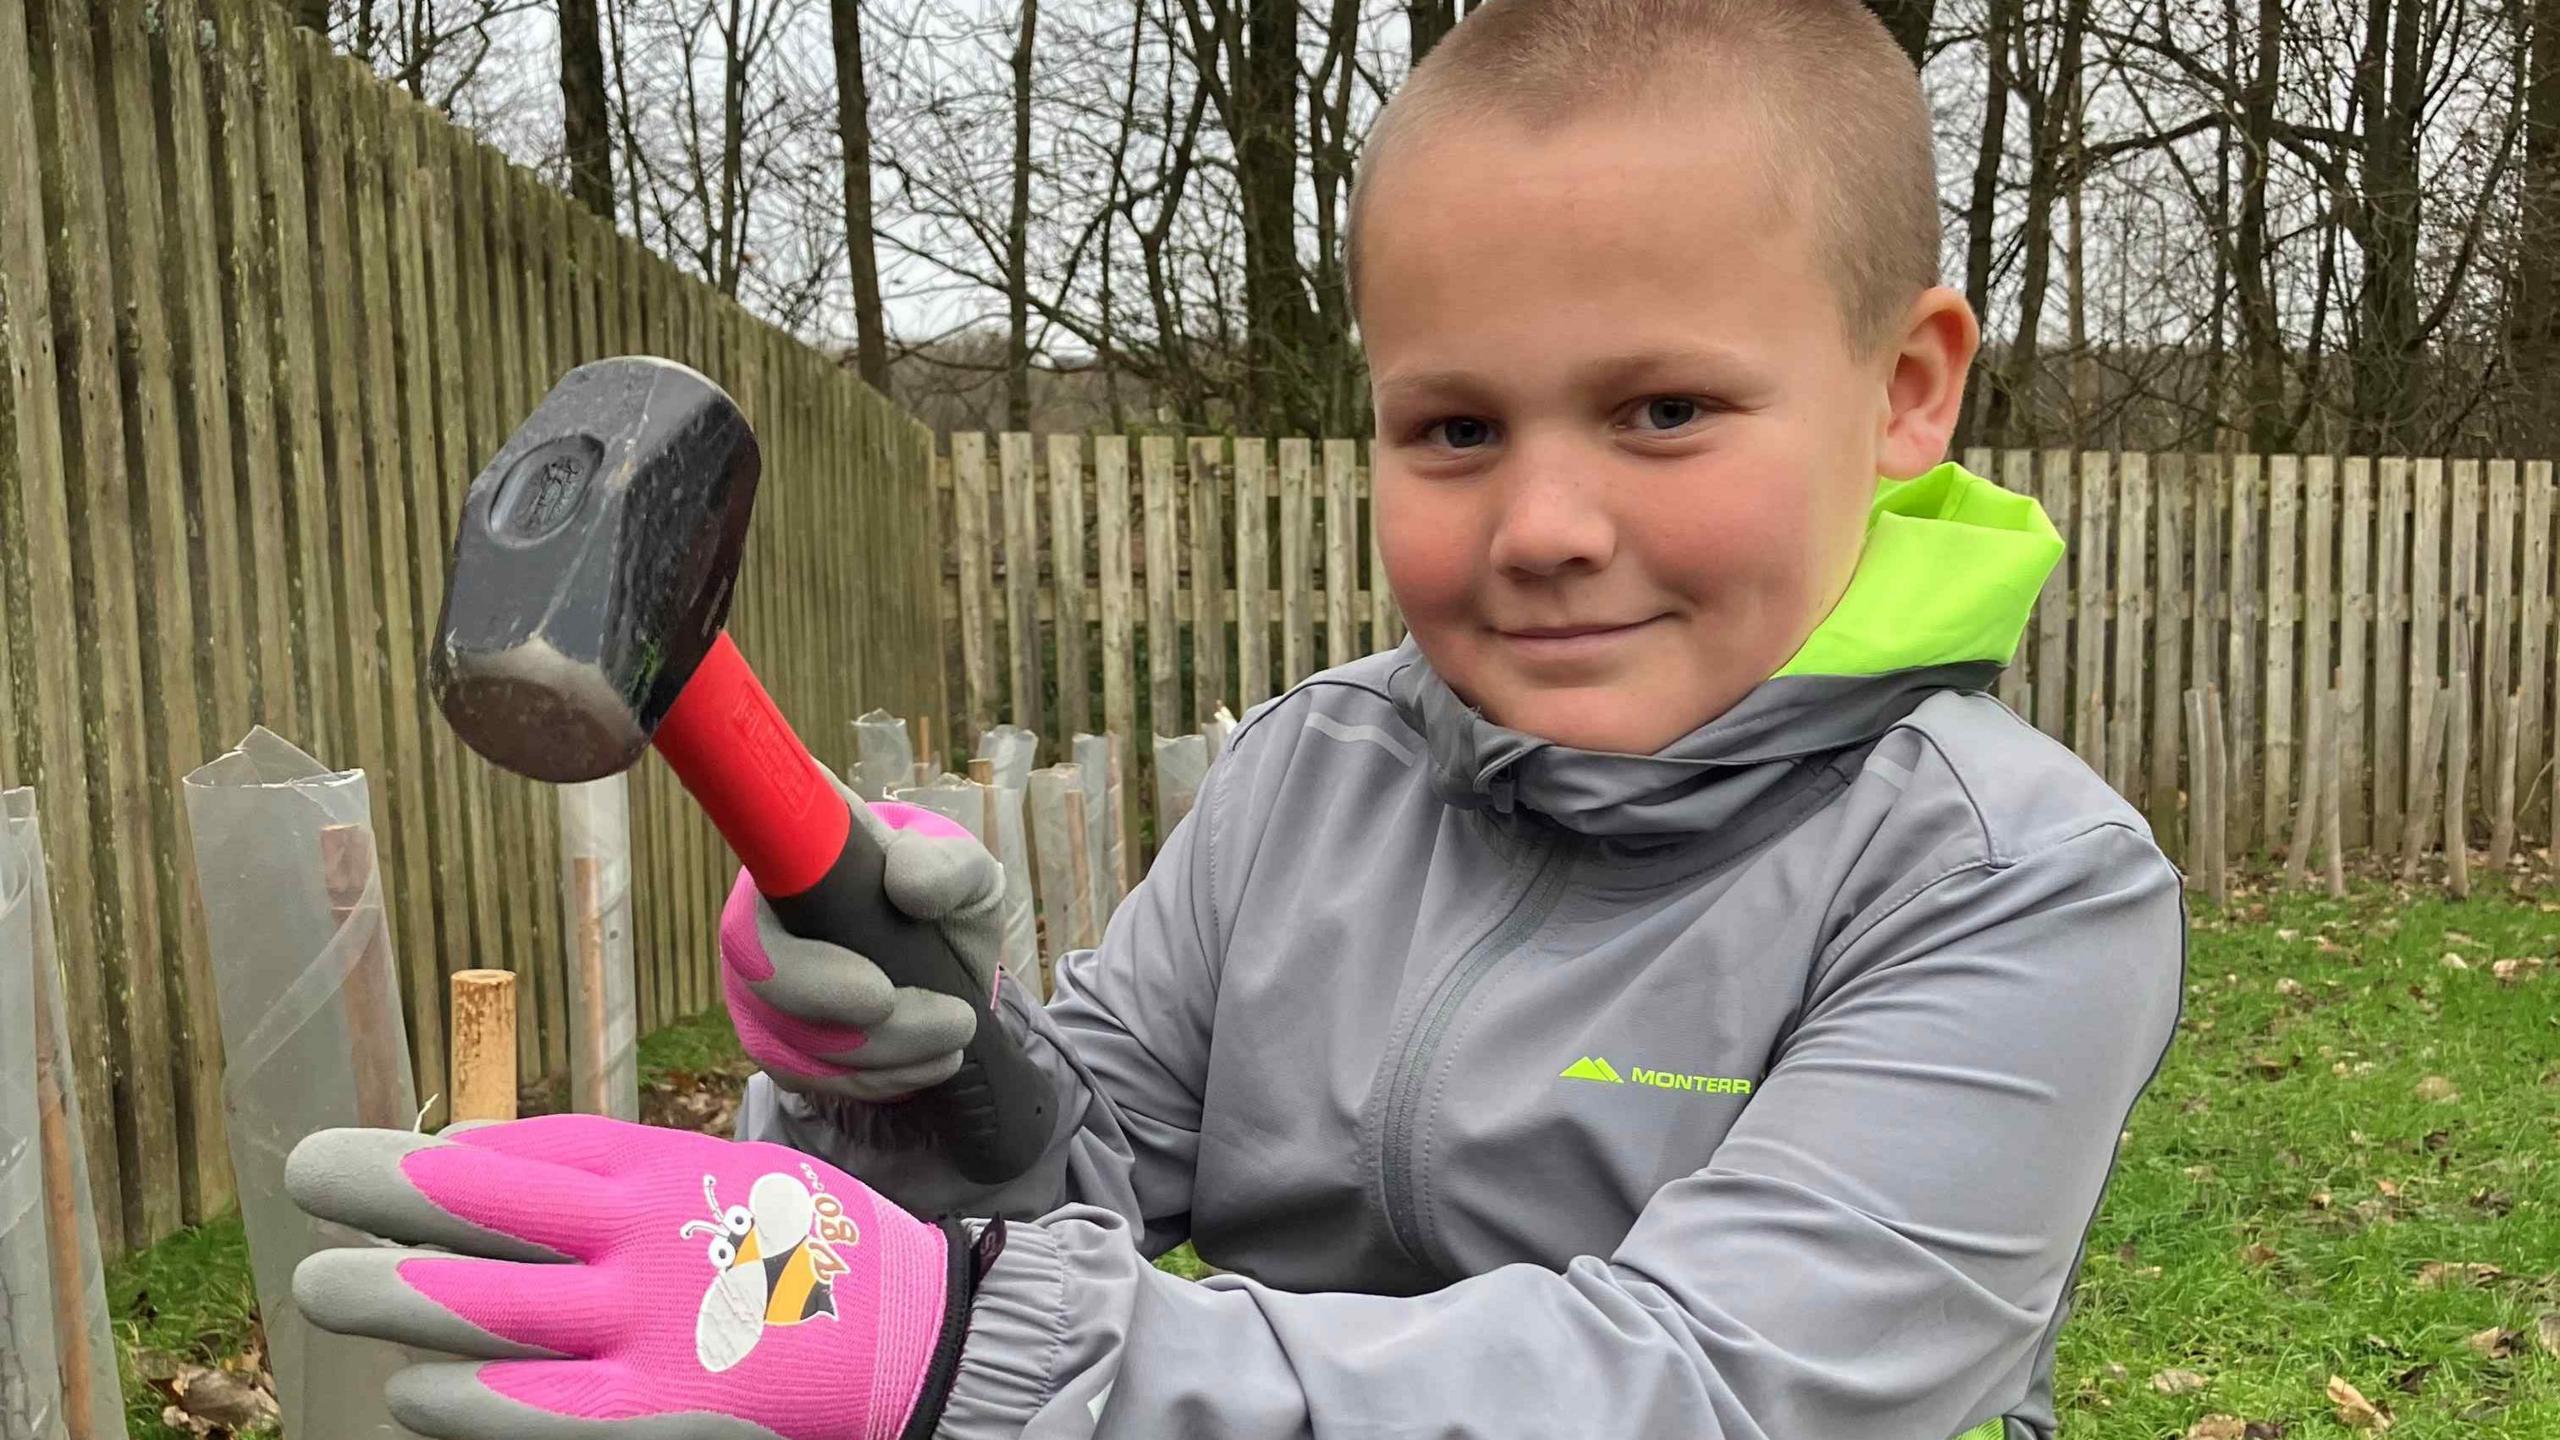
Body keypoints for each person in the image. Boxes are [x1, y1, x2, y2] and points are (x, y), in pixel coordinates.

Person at [282, 2, 2184, 1437]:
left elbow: (1717, 1388)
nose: (1542, 526)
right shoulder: (1317, 773)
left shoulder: (2011, 882)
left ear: (1908, 388)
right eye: (1455, 427)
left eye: (1664, 411)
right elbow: (1076, 1171)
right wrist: (917, 1084)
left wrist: (951, 1352)